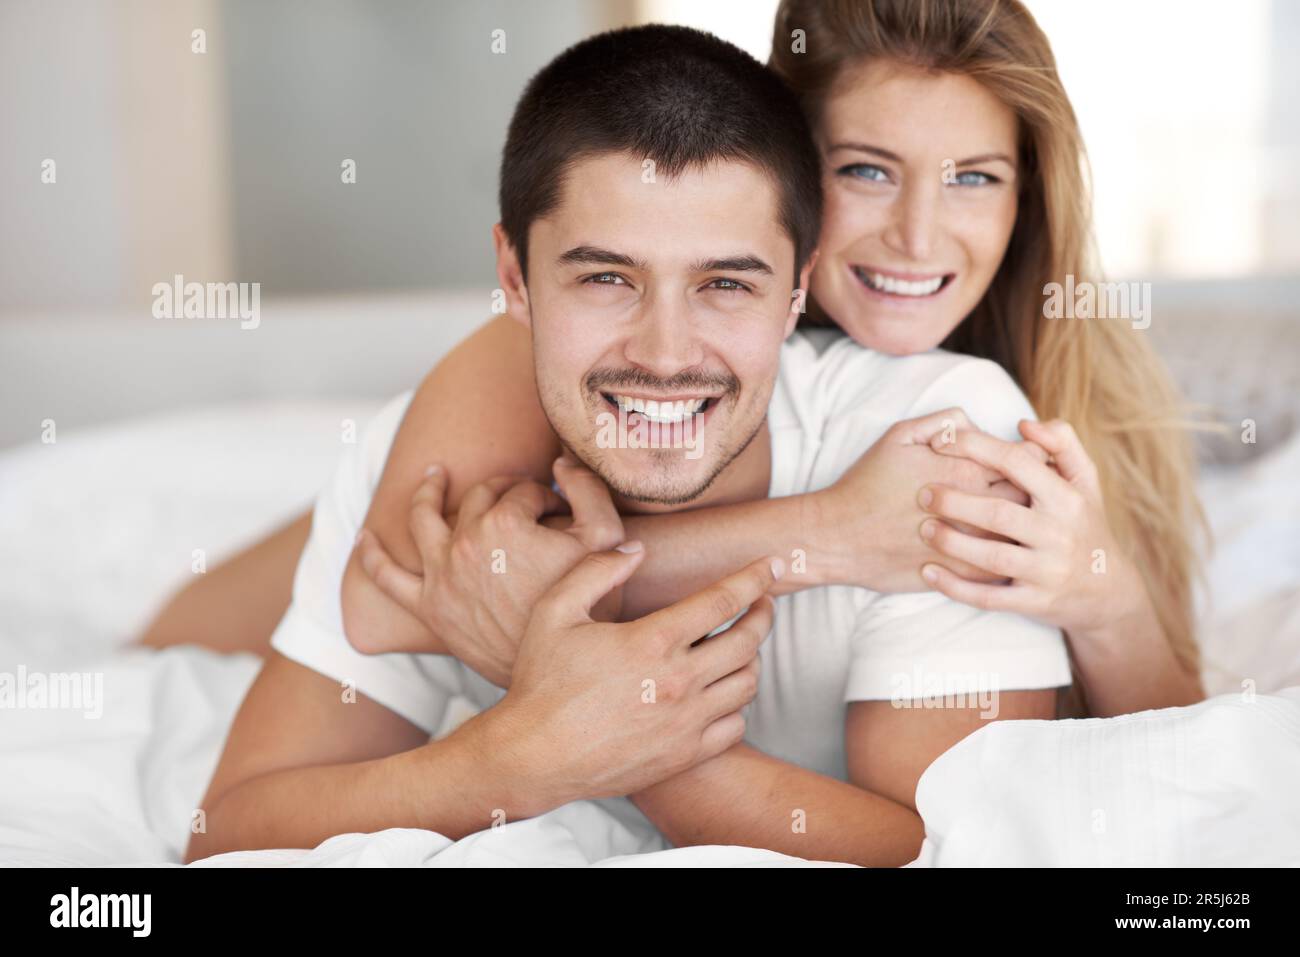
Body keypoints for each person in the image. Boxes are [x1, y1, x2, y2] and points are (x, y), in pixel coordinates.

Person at [145, 0, 1205, 719]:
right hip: (337, 549)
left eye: (974, 178)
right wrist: (827, 534)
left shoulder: (1053, 402)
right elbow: (402, 589)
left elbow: (1187, 751)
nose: (918, 239)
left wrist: (1105, 600)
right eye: (866, 171)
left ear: (1027, 196)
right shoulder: (546, 347)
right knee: (172, 643)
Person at [186, 24, 1070, 867]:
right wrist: (510, 756)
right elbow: (226, 833)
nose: (665, 353)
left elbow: (951, 850)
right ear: (513, 279)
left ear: (799, 289)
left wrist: (586, 712)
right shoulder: (439, 474)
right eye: (607, 277)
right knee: (171, 628)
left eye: (726, 282)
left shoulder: (938, 447)